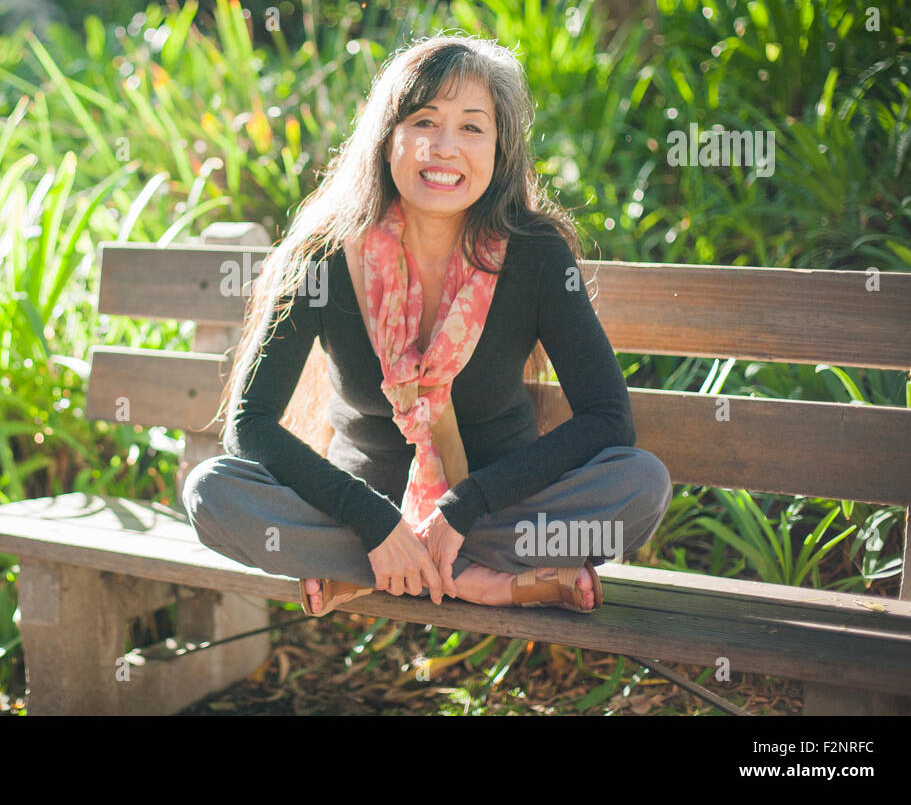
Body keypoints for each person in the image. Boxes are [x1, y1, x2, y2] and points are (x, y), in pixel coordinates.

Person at [181, 33, 672, 617]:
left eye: (471, 127)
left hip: (493, 511)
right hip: (361, 515)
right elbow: (250, 424)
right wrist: (375, 522)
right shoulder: (325, 255)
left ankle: (382, 572)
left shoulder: (535, 254)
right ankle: (476, 580)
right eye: (423, 121)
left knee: (641, 484)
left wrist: (463, 509)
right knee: (211, 492)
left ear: (500, 149)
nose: (444, 148)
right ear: (388, 138)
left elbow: (608, 419)